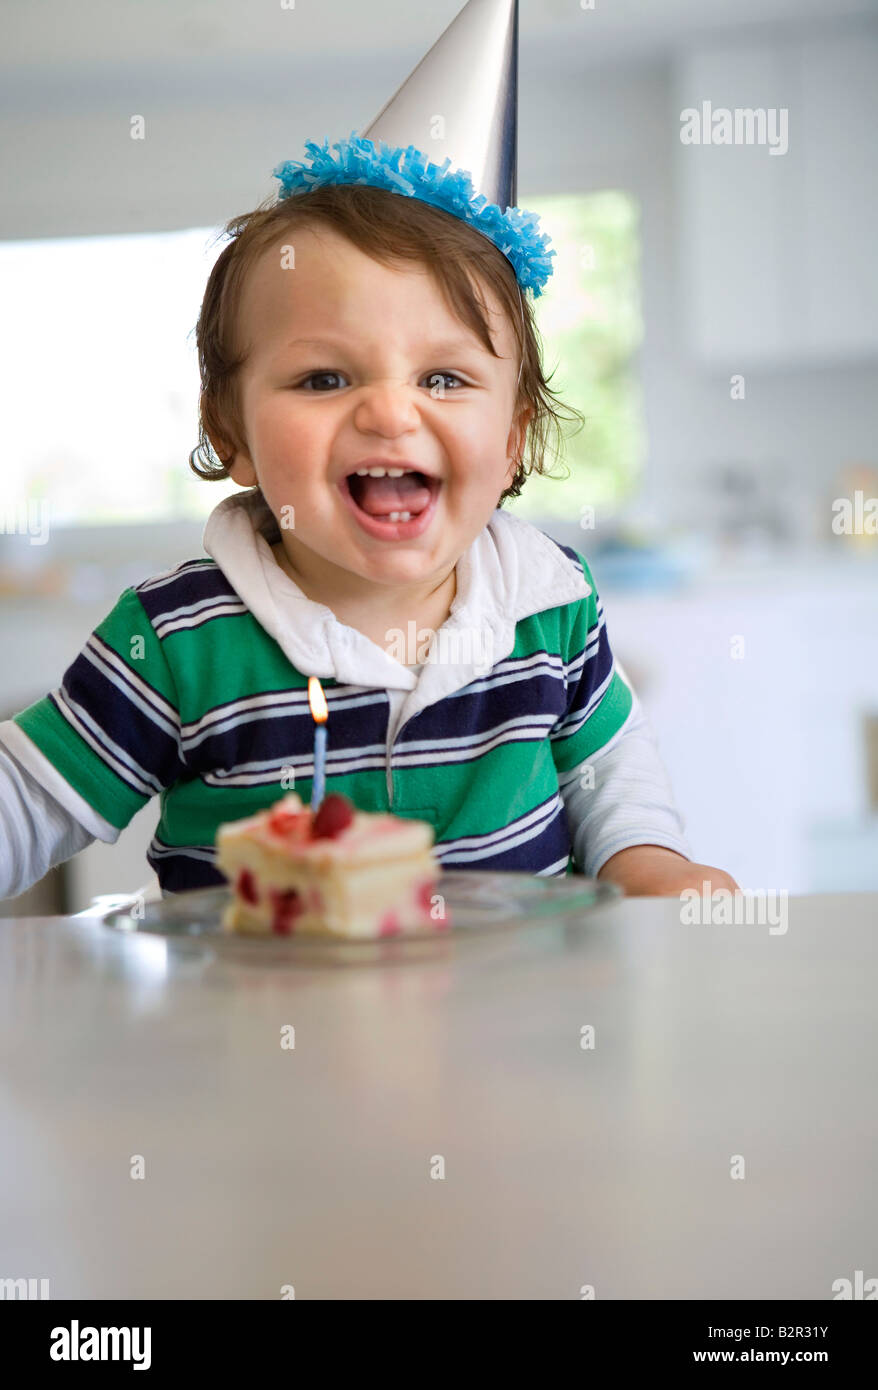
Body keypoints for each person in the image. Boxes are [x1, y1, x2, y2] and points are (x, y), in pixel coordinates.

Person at [0, 0, 739, 901]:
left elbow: (609, 770)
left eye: (443, 379)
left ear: (511, 441)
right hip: (253, 1033)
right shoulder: (177, 639)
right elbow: (25, 803)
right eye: (323, 379)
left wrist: (646, 861)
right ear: (228, 434)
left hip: (519, 1028)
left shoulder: (552, 604)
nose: (391, 412)